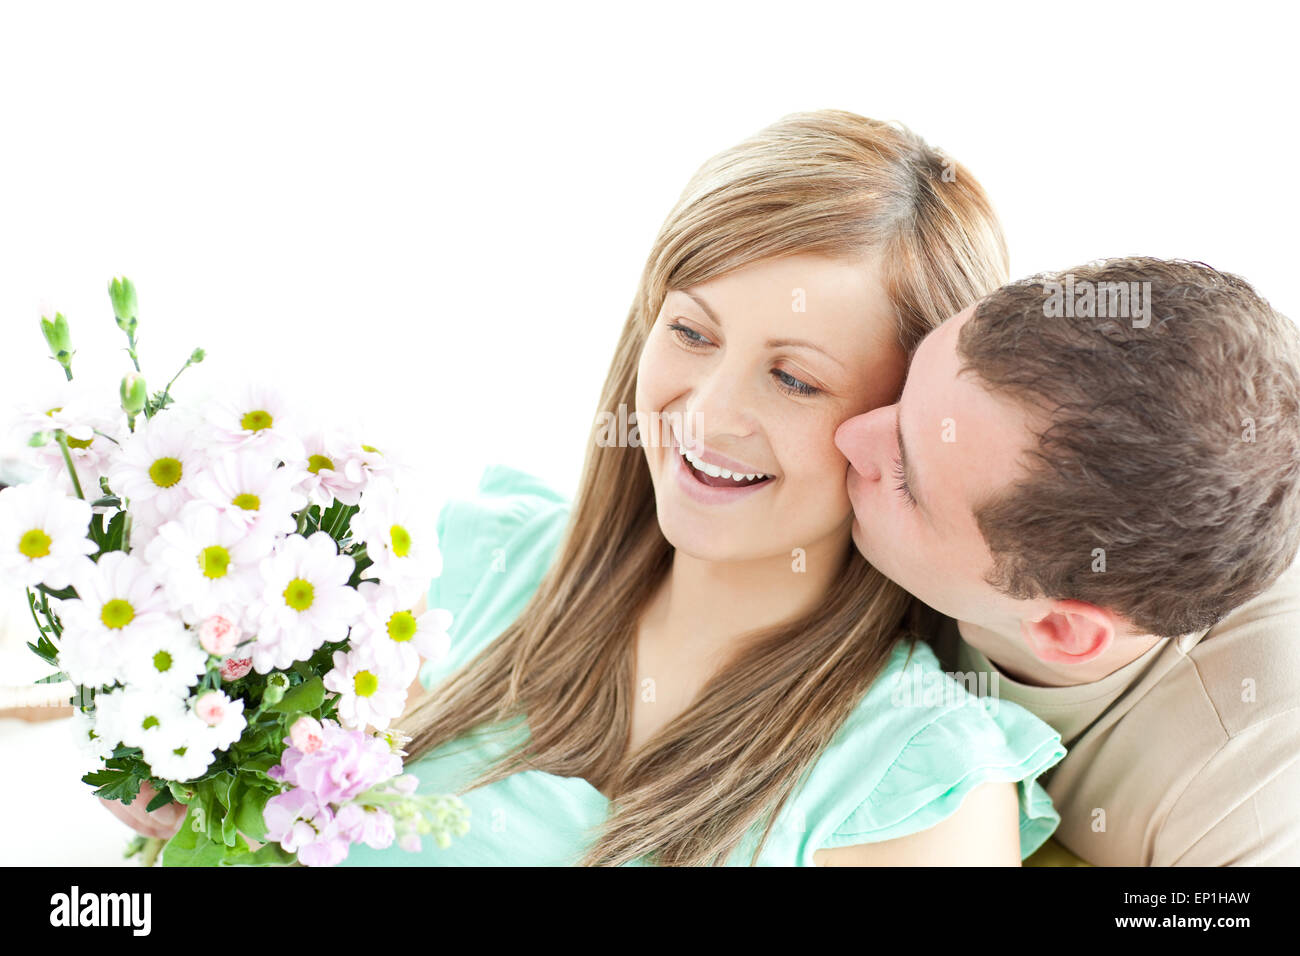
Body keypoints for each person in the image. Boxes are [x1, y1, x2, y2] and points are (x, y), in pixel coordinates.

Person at [107, 109, 1067, 866]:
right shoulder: (462, 559)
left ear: (894, 426)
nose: (704, 414)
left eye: (794, 378)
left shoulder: (915, 779)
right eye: (691, 333)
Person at [833, 256, 1300, 865]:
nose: (849, 434)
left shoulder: (1257, 788)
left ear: (1060, 629)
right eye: (902, 394)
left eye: (904, 477)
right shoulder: (986, 421)